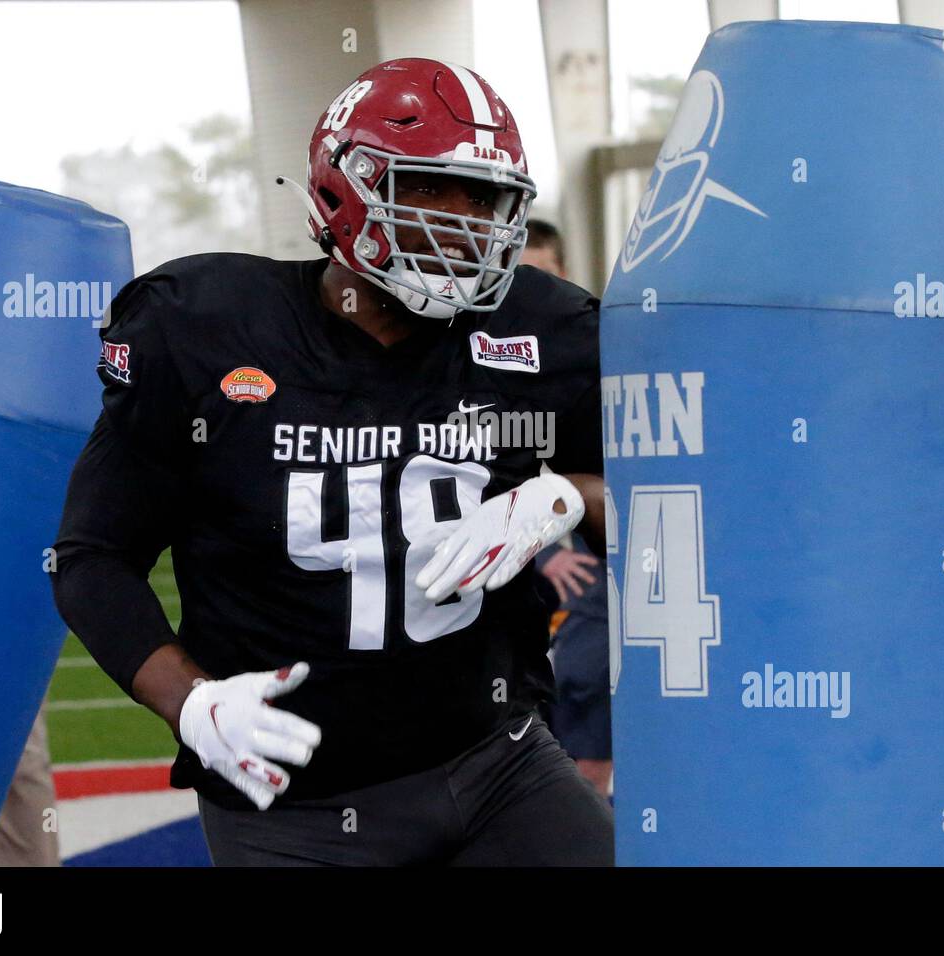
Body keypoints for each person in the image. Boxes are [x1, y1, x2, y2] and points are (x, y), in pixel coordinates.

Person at [52, 58, 613, 866]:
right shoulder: (207, 330)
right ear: (347, 187)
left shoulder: (543, 333)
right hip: (292, 808)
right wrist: (193, 701)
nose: (465, 221)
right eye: (429, 188)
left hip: (501, 767)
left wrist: (564, 496)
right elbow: (92, 556)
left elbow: (670, 504)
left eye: (483, 197)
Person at [520, 219, 614, 797]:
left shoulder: (586, 348)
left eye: (540, 274)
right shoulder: (464, 360)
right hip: (518, 574)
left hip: (601, 565)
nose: (524, 289)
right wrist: (542, 556)